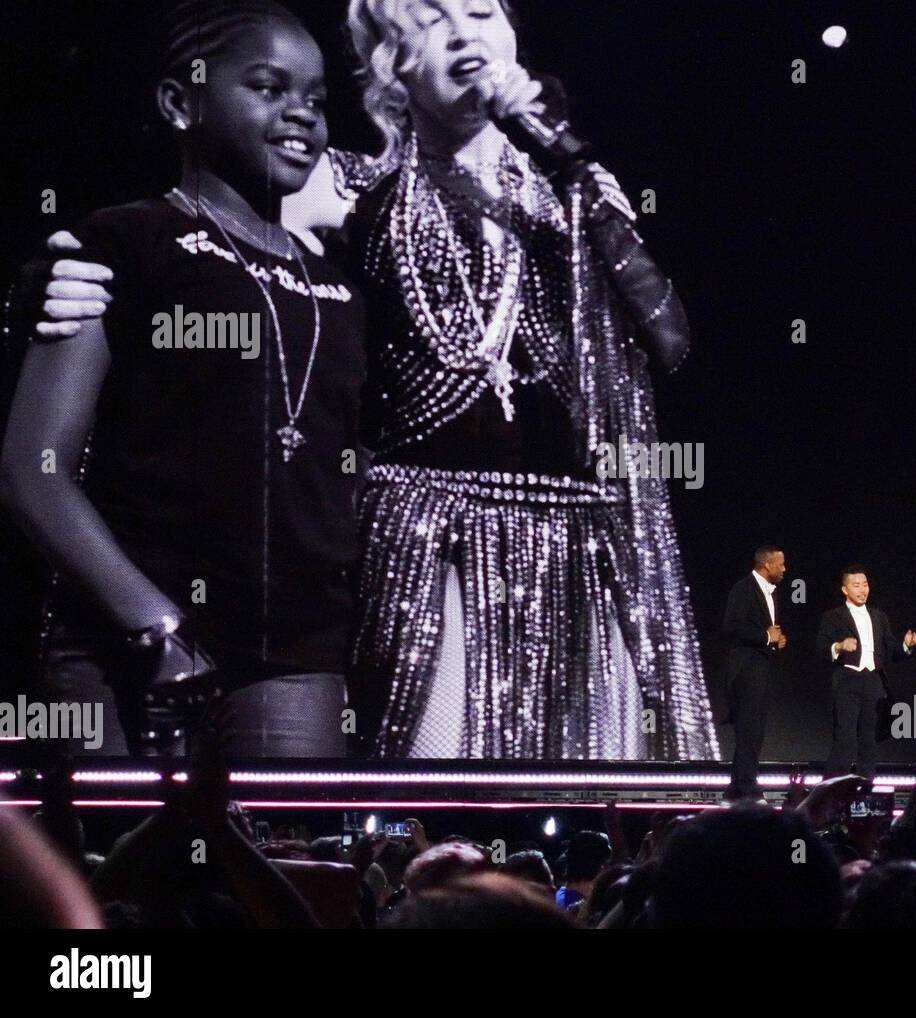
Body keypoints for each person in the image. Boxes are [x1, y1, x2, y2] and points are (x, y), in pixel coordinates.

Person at [34, 0, 719, 763]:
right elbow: (208, 231)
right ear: (393, 63)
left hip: (576, 543)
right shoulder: (345, 186)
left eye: (480, 13)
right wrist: (61, 277)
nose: (464, 36)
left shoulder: (572, 193)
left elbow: (669, 340)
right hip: (433, 539)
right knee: (439, 792)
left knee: (589, 791)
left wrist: (569, 162)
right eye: (431, 21)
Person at [1, 0, 365, 757]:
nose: (302, 112)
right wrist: (152, 622)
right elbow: (33, 471)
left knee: (288, 837)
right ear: (180, 103)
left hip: (295, 656)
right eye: (268, 87)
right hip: (125, 640)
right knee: (119, 840)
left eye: (317, 97)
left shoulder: (341, 284)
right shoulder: (124, 243)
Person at [813, 565, 916, 780]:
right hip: (847, 681)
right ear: (845, 589)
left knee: (869, 739)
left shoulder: (878, 616)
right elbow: (820, 648)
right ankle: (833, 787)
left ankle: (865, 786)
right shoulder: (833, 616)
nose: (862, 590)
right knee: (845, 739)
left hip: (873, 681)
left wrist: (906, 646)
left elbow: (890, 648)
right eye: (856, 585)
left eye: (865, 585)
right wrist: (839, 646)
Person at [722, 546, 787, 799]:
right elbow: (731, 626)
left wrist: (775, 642)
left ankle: (738, 788)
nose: (784, 569)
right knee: (748, 730)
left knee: (755, 730)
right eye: (780, 564)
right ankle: (746, 787)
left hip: (761, 666)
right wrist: (765, 637)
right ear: (767, 565)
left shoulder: (771, 592)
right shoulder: (744, 588)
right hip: (746, 669)